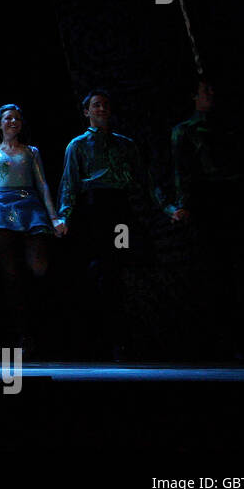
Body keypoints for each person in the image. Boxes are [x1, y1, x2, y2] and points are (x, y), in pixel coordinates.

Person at [59, 89, 178, 359]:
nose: (101, 109)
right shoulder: (77, 145)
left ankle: (130, 336)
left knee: (123, 265)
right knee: (103, 268)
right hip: (94, 208)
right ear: (86, 112)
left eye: (105, 105)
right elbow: (69, 184)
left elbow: (147, 181)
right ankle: (110, 339)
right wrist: (63, 217)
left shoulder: (126, 144)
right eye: (96, 105)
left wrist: (168, 208)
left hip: (120, 207)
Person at [169, 77, 244, 358]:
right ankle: (234, 342)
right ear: (194, 96)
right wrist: (182, 205)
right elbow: (182, 172)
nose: (211, 94)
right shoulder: (185, 131)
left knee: (242, 266)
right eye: (205, 91)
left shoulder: (227, 128)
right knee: (219, 271)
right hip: (210, 203)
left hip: (234, 198)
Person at [0, 104, 65, 350]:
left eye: (17, 118)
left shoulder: (31, 151)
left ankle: (42, 322)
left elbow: (43, 183)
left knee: (38, 268)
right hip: (1, 208)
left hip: (30, 206)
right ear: (0, 123)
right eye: (8, 118)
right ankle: (24, 334)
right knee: (11, 275)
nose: (13, 121)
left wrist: (54, 217)